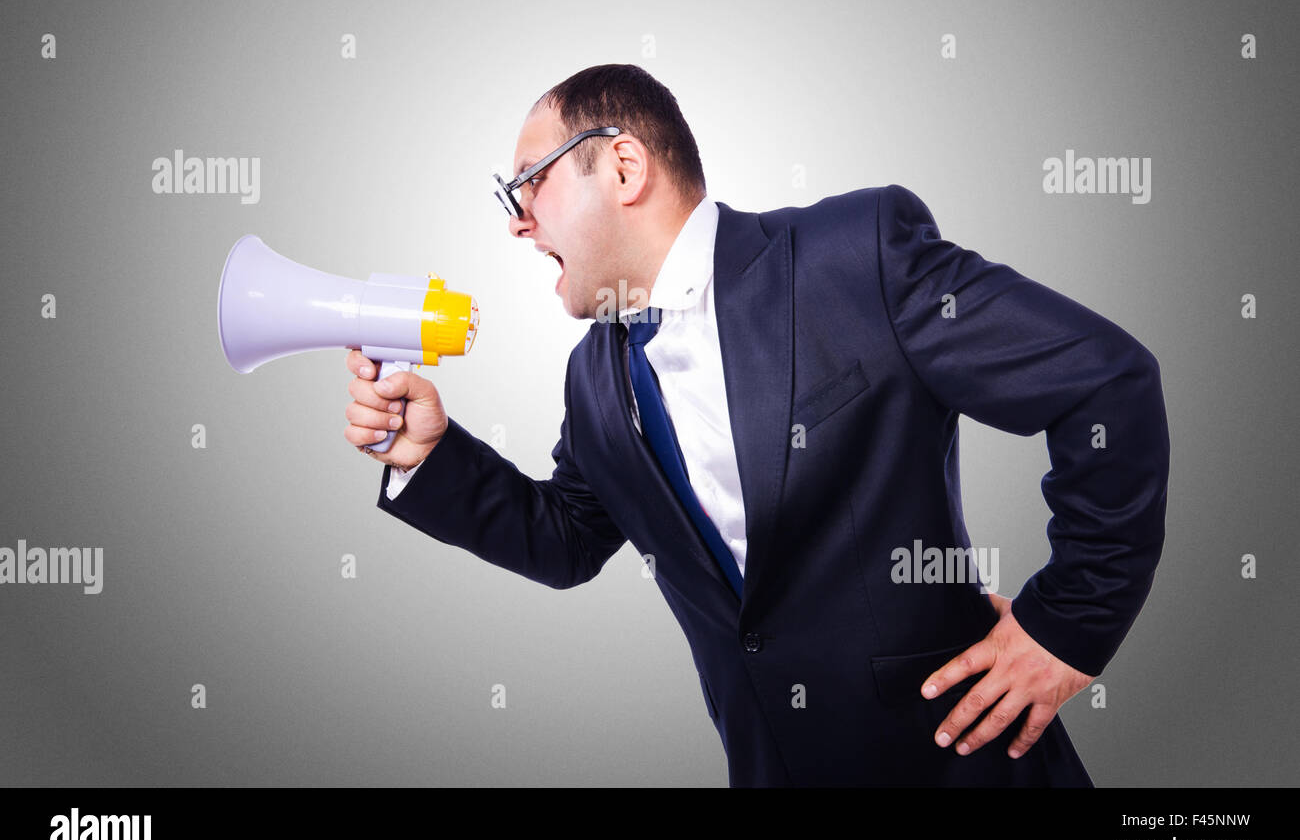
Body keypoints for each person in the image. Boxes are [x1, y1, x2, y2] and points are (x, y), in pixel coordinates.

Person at [343, 63, 1170, 787]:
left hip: (961, 765)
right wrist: (429, 454)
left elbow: (1102, 383)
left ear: (624, 165)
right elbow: (565, 540)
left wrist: (1067, 626)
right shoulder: (593, 376)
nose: (518, 220)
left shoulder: (855, 257)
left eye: (531, 182)